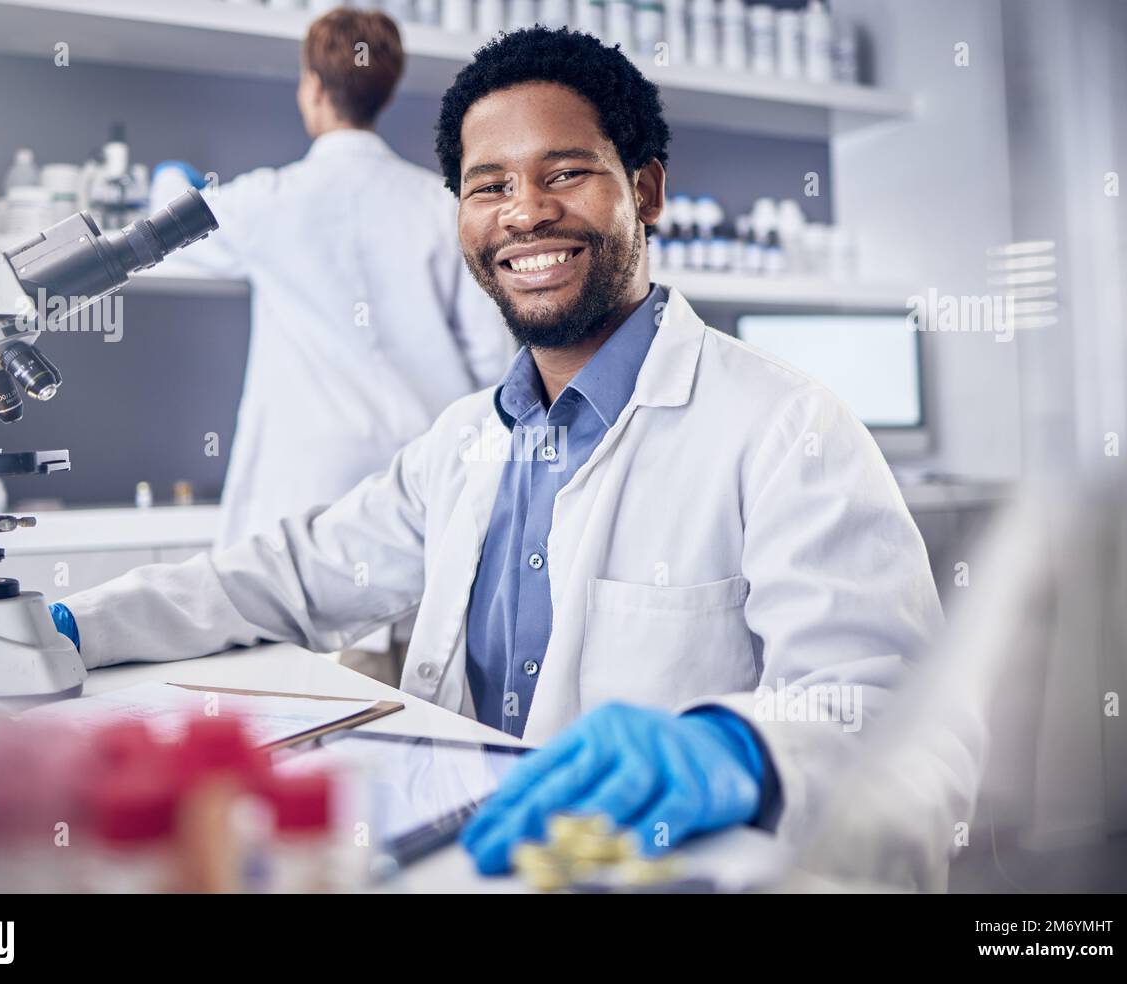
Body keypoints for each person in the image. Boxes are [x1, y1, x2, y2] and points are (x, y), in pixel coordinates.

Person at [51, 27, 943, 875]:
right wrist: (68, 628)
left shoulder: (790, 430)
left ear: (647, 189)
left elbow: (903, 728)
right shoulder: (465, 442)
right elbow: (286, 575)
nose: (528, 213)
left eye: (567, 172)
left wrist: (737, 749)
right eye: (490, 186)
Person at [149, 10, 509, 684]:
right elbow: (492, 357)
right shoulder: (441, 205)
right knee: (427, 712)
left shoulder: (269, 199)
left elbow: (166, 226)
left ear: (315, 86)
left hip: (309, 500)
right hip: (425, 485)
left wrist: (173, 176)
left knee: (327, 718)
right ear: (387, 90)